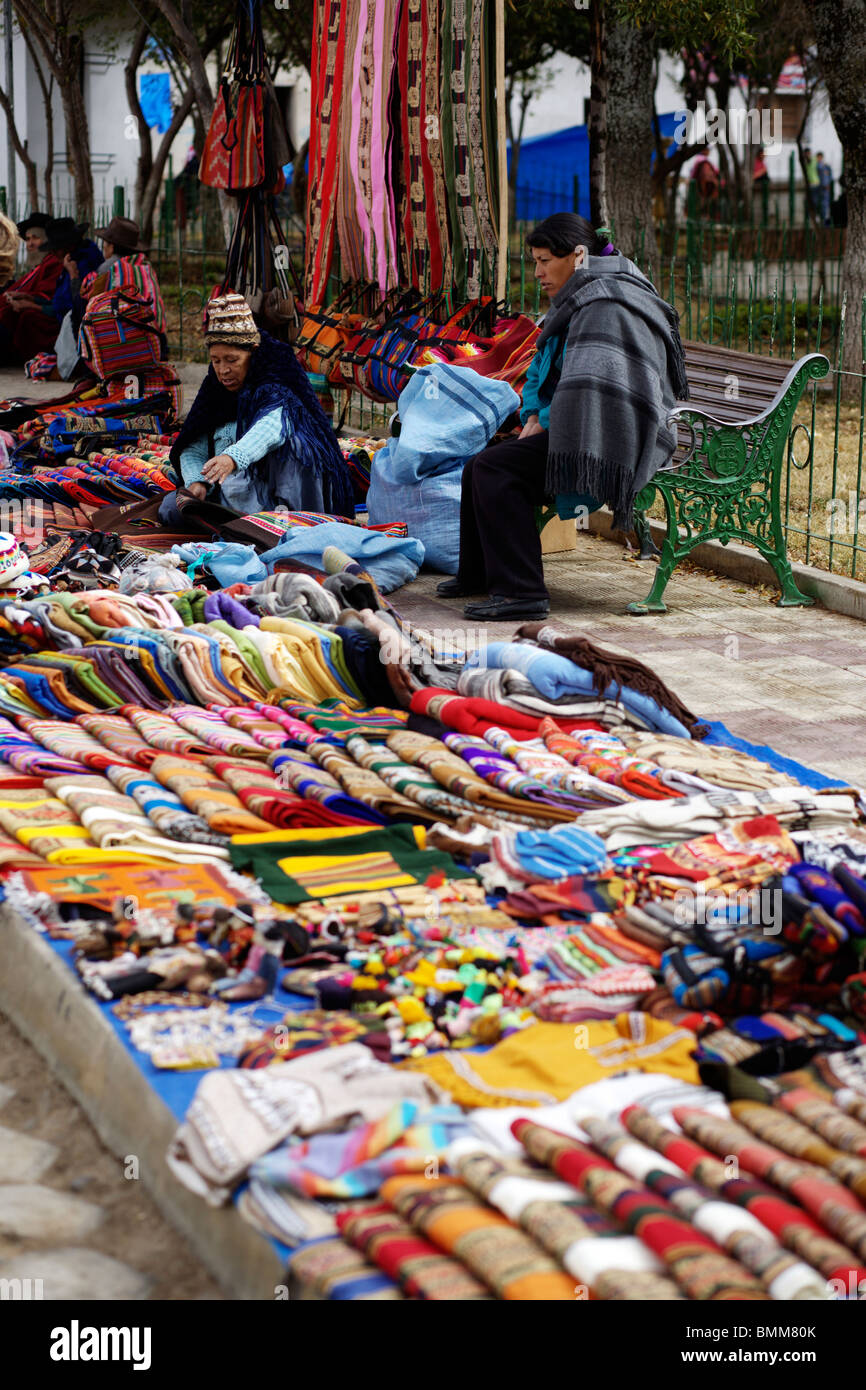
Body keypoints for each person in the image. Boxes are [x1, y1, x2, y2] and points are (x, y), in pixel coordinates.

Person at [437, 212, 688, 621]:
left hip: (611, 436)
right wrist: (533, 415)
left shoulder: (607, 305)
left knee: (496, 469)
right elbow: (540, 367)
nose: (537, 272)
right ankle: (479, 575)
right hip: (576, 423)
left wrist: (546, 421)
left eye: (544, 261)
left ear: (578, 256)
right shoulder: (578, 299)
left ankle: (522, 593)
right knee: (477, 466)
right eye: (535, 261)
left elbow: (594, 388)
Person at [163, 292, 353, 521]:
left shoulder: (276, 375)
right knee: (171, 509)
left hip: (278, 491)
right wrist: (197, 482)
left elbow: (272, 426)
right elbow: (193, 446)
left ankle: (288, 520)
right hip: (228, 492)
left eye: (232, 360)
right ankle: (241, 520)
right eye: (216, 360)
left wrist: (233, 458)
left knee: (296, 445)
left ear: (252, 352)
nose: (223, 370)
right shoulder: (213, 390)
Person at [53, 214, 167, 379]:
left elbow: (83, 307)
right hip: (153, 347)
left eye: (105, 244)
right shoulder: (146, 268)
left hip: (120, 346)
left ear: (111, 247)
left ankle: (81, 365)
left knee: (73, 315)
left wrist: (74, 276)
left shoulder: (107, 270)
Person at [0, 216, 100, 365]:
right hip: (62, 316)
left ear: (67, 247)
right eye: (27, 239)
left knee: (28, 317)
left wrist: (31, 304)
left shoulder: (80, 264)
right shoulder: (65, 260)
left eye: (35, 238)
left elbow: (72, 307)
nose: (30, 244)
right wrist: (29, 298)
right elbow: (57, 300)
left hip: (72, 324)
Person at [816, 152, 833, 227]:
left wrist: (827, 184)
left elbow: (829, 176)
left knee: (825, 205)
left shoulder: (825, 166)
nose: (819, 159)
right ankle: (821, 220)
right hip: (818, 187)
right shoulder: (818, 166)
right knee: (819, 204)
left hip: (824, 188)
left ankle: (825, 221)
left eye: (820, 157)